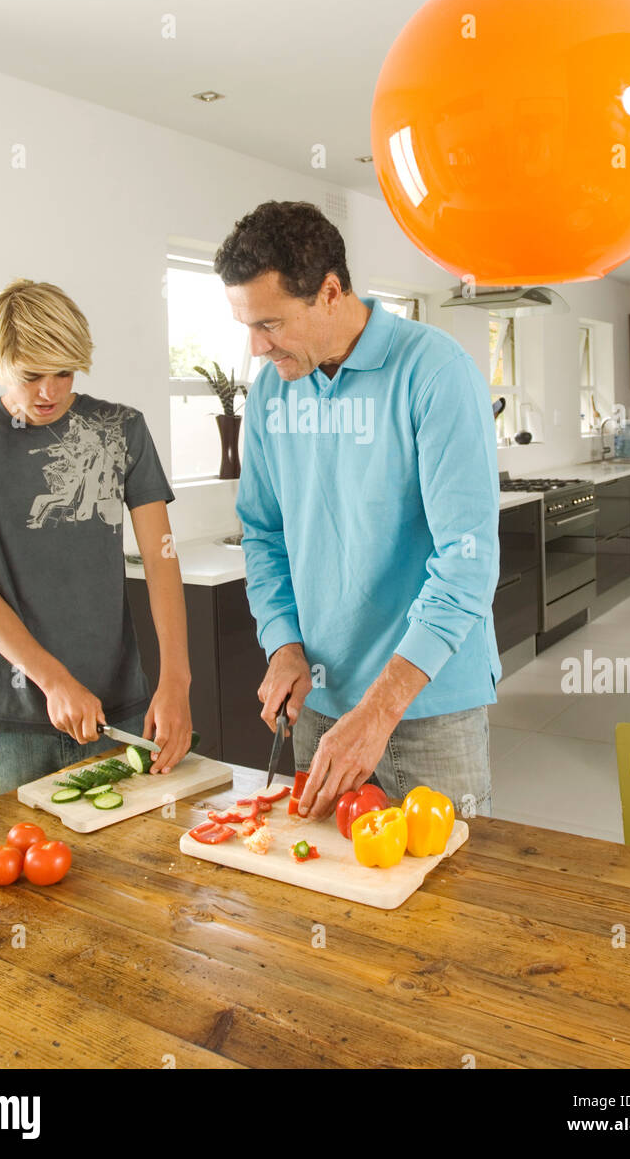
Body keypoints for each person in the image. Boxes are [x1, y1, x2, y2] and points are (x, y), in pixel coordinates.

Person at [214, 201, 501, 822]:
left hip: (429, 710)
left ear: (330, 292)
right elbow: (264, 533)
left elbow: (467, 562)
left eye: (271, 324)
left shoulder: (436, 372)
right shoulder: (271, 390)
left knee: (446, 910)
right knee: (328, 901)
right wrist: (282, 642)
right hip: (322, 704)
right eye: (247, 326)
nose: (258, 348)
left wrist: (379, 709)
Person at [0, 278, 193, 793]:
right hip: (9, 718)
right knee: (17, 869)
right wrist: (55, 682)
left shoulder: (120, 428)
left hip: (119, 708)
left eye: (64, 372)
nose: (51, 392)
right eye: (31, 376)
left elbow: (161, 558)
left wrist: (177, 682)